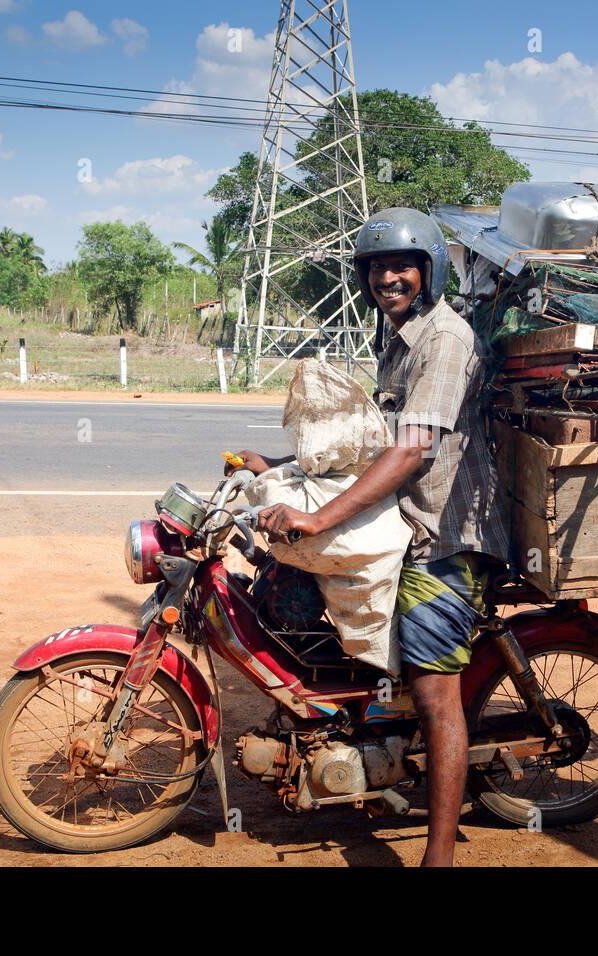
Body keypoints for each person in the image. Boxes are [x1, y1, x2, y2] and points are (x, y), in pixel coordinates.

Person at [229, 207, 509, 866]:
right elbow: (372, 441)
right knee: (291, 590)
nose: (388, 278)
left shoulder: (445, 339)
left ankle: (438, 856)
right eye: (377, 267)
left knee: (435, 694)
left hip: (446, 534)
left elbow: (411, 449)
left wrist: (320, 517)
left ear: (429, 270)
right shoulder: (397, 336)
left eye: (402, 265)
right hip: (400, 520)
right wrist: (282, 467)